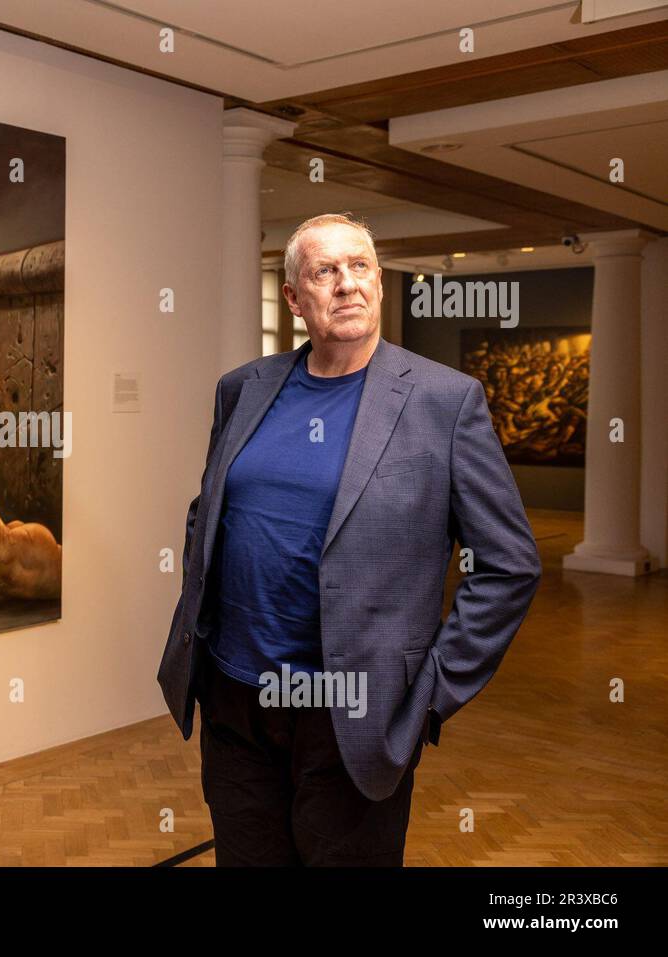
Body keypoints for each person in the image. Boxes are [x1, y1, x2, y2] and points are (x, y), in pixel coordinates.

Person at [156, 213, 541, 865]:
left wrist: (429, 691)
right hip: (237, 697)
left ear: (381, 283)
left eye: (360, 266)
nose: (347, 284)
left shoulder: (445, 402)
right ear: (293, 297)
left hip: (354, 712)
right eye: (324, 270)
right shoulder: (243, 389)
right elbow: (209, 511)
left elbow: (509, 565)